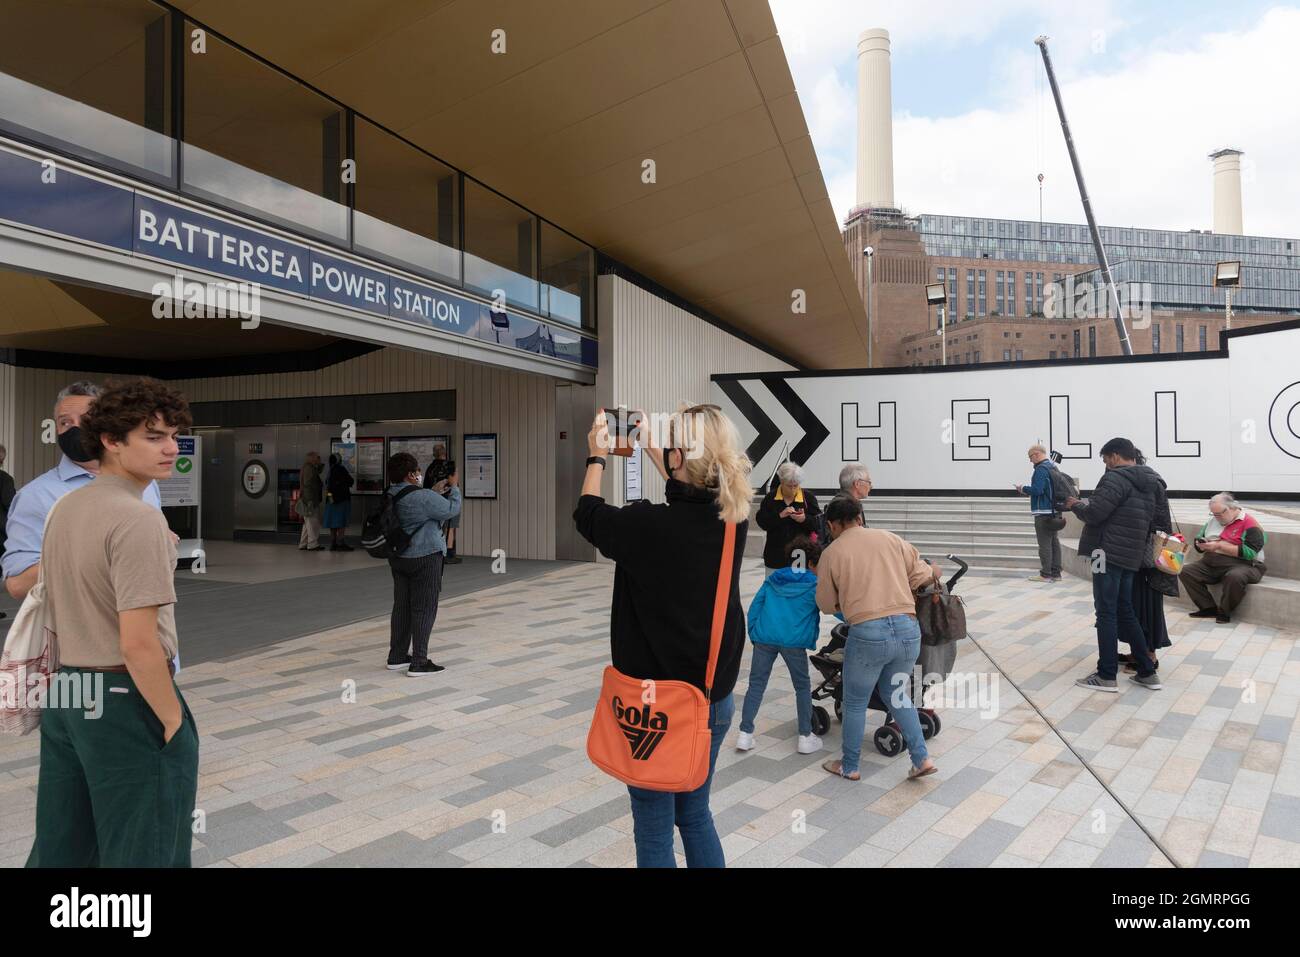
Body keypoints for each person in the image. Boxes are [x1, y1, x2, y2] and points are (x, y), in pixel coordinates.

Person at [26, 378, 198, 867]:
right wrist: (172, 720)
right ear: (111, 441)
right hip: (124, 698)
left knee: (64, 844)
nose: (171, 449)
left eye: (174, 436)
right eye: (153, 437)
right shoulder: (138, 518)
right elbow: (138, 644)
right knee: (145, 846)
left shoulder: (64, 508)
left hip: (67, 692)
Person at [573, 403, 750, 868]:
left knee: (652, 825)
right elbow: (689, 493)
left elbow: (587, 513)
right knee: (694, 814)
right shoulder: (733, 518)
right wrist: (657, 447)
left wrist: (596, 455)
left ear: (680, 458)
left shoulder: (645, 526)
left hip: (656, 710)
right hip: (711, 699)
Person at [3, 381, 167, 603]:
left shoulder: (145, 484)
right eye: (65, 422)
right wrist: (103, 549)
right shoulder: (37, 495)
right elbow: (18, 584)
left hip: (145, 613)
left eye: (87, 419)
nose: (75, 428)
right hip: (77, 627)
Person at [815, 494, 939, 781]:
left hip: (868, 631)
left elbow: (825, 603)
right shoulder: (892, 539)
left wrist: (845, 603)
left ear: (832, 525)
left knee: (855, 701)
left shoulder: (832, 553)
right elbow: (923, 576)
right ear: (859, 517)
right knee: (897, 694)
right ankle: (921, 759)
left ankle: (850, 765)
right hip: (908, 629)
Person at [1064, 437, 1162, 692]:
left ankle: (1106, 675)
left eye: (1106, 459)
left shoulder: (1114, 478)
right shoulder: (1151, 481)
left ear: (1116, 456)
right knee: (1125, 609)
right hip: (1131, 555)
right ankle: (1147, 672)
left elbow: (1095, 513)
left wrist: (1076, 505)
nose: (1106, 465)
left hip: (1103, 553)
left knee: (1105, 612)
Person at [737, 535, 823, 755]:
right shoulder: (815, 585)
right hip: (794, 643)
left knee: (756, 685)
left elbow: (755, 608)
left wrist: (755, 634)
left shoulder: (773, 579)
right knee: (802, 687)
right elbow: (836, 609)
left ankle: (745, 735)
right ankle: (805, 736)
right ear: (811, 562)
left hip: (764, 638)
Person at [383, 451, 461, 675]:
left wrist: (433, 491)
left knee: (402, 607)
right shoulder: (422, 497)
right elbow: (451, 510)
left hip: (399, 558)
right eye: (417, 471)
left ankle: (397, 656)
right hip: (425, 557)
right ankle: (419, 661)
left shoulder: (391, 493)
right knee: (424, 608)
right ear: (410, 474)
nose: (419, 474)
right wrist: (454, 487)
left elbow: (419, 505)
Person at [1180, 493, 1267, 624]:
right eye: (1213, 514)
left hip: (1244, 565)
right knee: (1185, 571)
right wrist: (1201, 545)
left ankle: (1224, 612)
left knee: (1235, 577)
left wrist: (1220, 545)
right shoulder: (1212, 521)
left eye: (1219, 514)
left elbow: (1250, 553)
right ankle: (1208, 608)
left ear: (1232, 508)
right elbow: (1199, 539)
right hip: (1210, 563)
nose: (1217, 517)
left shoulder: (1250, 524)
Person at [1126, 451, 1175, 674]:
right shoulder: (1144, 481)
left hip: (1149, 555)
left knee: (1149, 604)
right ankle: (1139, 649)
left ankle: (1150, 654)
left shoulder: (1151, 483)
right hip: (1138, 553)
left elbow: (1159, 520)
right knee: (1135, 603)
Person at [755, 462, 821, 578]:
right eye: (789, 486)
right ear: (781, 482)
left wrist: (804, 519)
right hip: (775, 555)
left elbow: (819, 524)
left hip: (801, 555)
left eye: (796, 485)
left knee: (798, 590)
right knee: (775, 589)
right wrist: (779, 516)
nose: (793, 489)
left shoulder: (808, 498)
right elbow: (762, 522)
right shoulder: (771, 498)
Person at [1015, 443, 1062, 582]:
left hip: (1043, 512)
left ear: (1036, 454)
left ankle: (1045, 574)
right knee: (1054, 542)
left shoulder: (1041, 469)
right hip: (1055, 511)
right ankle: (1056, 573)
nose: (1030, 460)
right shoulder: (1053, 467)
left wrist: (1023, 488)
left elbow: (1038, 490)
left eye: (1030, 457)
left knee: (1045, 544)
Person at [423, 443, 461, 565]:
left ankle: (436, 551)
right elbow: (454, 481)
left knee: (436, 526)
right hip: (448, 500)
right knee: (451, 526)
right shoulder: (449, 466)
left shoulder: (430, 468)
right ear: (445, 453)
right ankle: (449, 553)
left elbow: (426, 486)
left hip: (433, 500)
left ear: (434, 454)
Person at [322, 452, 354, 551]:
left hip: (331, 500)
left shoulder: (329, 471)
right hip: (342, 500)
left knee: (332, 522)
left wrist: (331, 499)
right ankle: (340, 542)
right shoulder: (341, 469)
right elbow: (350, 481)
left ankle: (333, 543)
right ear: (339, 460)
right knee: (341, 522)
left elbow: (328, 485)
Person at [298, 451, 324, 551]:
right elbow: (308, 485)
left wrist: (319, 464)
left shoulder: (309, 467)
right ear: (312, 458)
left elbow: (318, 472)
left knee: (307, 522)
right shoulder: (309, 468)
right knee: (312, 522)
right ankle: (312, 544)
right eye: (317, 457)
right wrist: (310, 501)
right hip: (310, 500)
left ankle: (303, 543)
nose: (319, 459)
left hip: (309, 499)